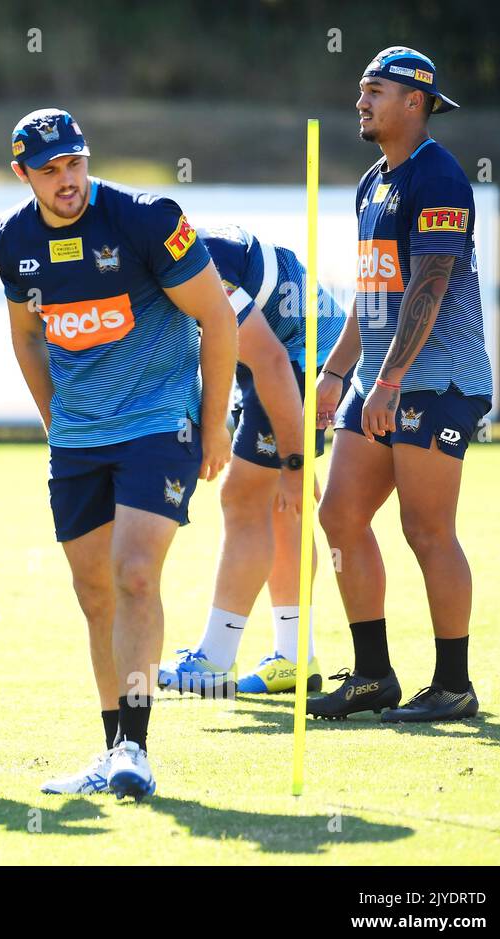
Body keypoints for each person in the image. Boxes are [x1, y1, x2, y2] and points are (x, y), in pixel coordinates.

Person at [0, 109, 236, 799]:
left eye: (75, 163)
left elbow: (216, 315)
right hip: (77, 439)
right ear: (24, 176)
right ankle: (111, 752)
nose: (67, 180)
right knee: (94, 591)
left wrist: (213, 426)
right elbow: (26, 336)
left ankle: (136, 747)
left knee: (133, 574)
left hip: (160, 425)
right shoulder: (11, 239)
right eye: (50, 171)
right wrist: (54, 421)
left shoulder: (145, 218)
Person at [310, 47, 492, 722]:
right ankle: (372, 676)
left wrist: (388, 380)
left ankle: (453, 685)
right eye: (361, 90)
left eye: (375, 91)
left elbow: (432, 284)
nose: (361, 101)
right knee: (339, 516)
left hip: (439, 382)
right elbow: (373, 291)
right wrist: (335, 374)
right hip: (379, 382)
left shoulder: (438, 176)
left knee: (425, 528)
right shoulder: (371, 182)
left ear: (414, 101)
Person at [157, 225, 346, 696]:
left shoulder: (197, 268)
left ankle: (216, 660)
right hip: (276, 352)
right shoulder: (165, 254)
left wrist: (297, 463)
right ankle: (295, 656)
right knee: (279, 510)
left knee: (246, 499)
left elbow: (273, 363)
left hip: (299, 357)